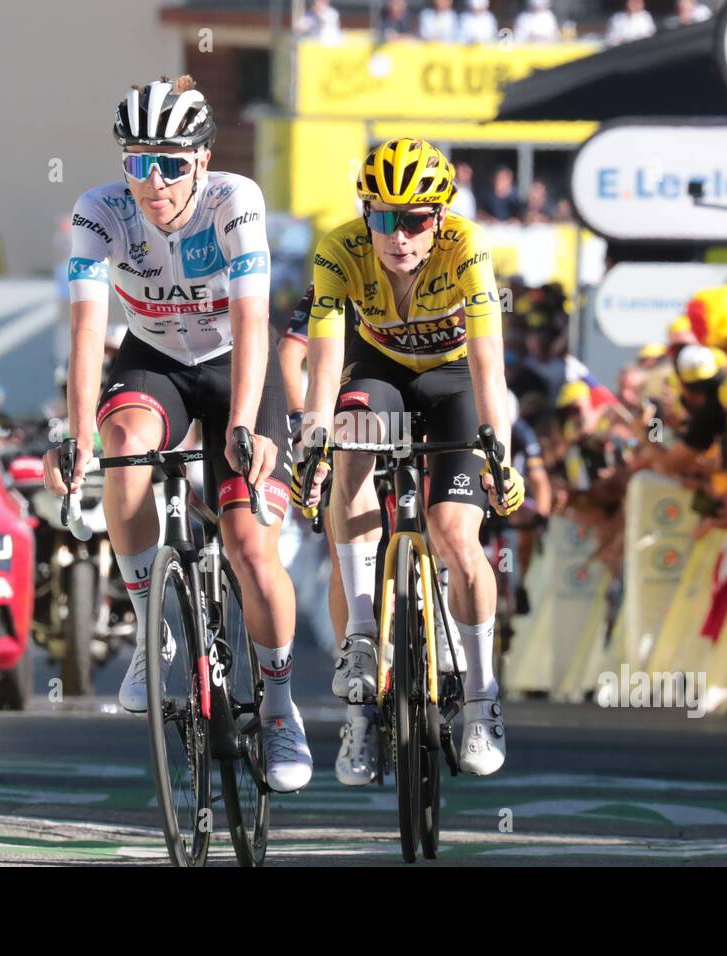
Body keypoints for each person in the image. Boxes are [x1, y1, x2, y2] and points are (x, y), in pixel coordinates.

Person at [43, 76, 311, 793]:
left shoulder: (234, 200)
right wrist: (76, 435)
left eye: (169, 164)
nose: (153, 181)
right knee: (122, 445)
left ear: (201, 160)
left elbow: (252, 320)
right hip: (155, 357)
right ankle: (148, 631)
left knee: (251, 547)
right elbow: (87, 328)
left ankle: (280, 709)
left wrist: (246, 424)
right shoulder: (99, 210)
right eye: (138, 162)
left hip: (236, 364)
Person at [293, 137, 526, 781]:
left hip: (453, 379)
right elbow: (324, 358)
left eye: (415, 220)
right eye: (383, 217)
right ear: (365, 214)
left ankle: (480, 697)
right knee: (351, 441)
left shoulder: (467, 246)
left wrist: (499, 452)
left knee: (455, 535)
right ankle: (362, 645)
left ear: (440, 217)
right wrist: (314, 438)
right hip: (381, 370)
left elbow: (488, 363)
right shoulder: (338, 249)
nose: (397, 235)